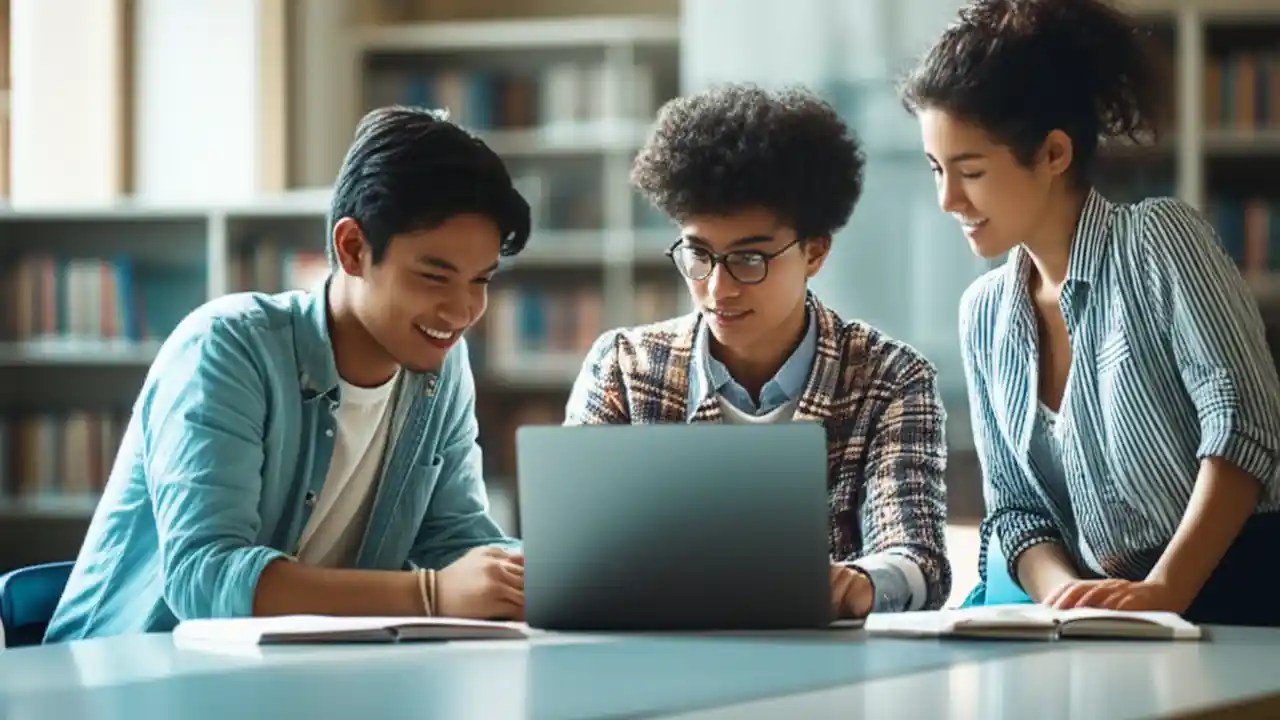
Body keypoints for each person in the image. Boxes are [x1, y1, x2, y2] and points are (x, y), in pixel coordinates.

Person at [45, 107, 530, 641]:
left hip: (298, 678)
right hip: (124, 679)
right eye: (434, 277)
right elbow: (204, 579)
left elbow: (455, 540)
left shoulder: (441, 366)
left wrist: (546, 575)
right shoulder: (228, 348)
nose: (462, 312)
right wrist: (430, 595)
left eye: (480, 281)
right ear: (352, 249)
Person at [901, 0, 1280, 625]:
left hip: (1237, 597)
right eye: (937, 169)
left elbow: (1242, 430)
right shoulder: (984, 314)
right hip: (1106, 615)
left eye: (970, 171)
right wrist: (1066, 601)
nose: (948, 200)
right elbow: (1017, 512)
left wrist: (1164, 589)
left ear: (1054, 153)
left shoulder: (1159, 241)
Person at [564, 84, 951, 618]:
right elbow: (572, 552)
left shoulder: (890, 377)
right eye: (698, 254)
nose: (718, 289)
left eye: (749, 259)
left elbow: (919, 558)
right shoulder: (625, 368)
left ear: (815, 251)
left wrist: (859, 582)